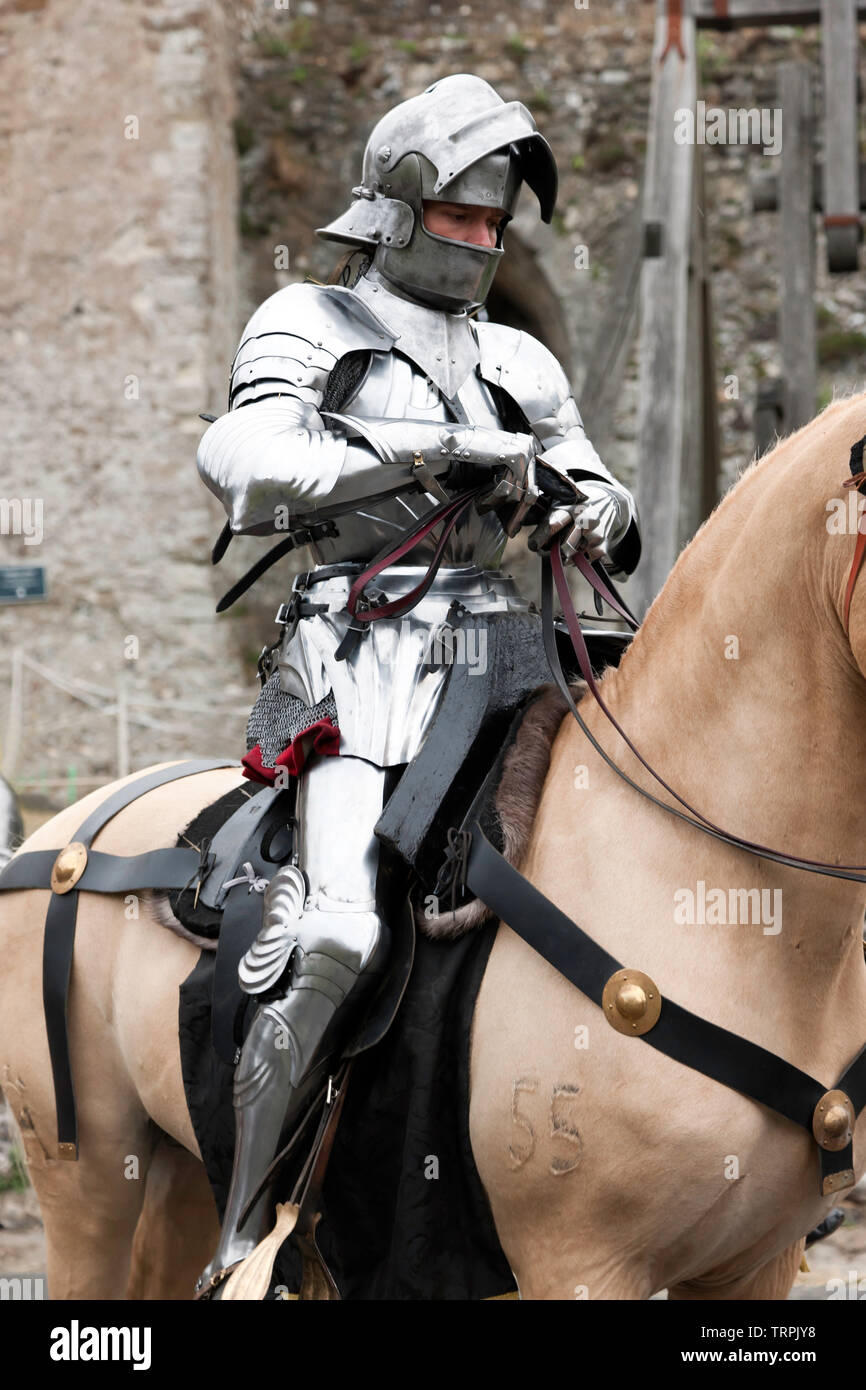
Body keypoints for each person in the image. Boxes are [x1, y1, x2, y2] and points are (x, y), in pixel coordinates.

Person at [194, 72, 640, 1295]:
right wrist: (437, 449)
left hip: (512, 650)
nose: (483, 241)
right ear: (395, 211)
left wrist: (583, 507)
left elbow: (605, 489)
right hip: (361, 650)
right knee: (336, 929)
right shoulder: (311, 320)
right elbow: (240, 458)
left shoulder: (519, 358)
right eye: (460, 218)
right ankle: (249, 1233)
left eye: (498, 223)